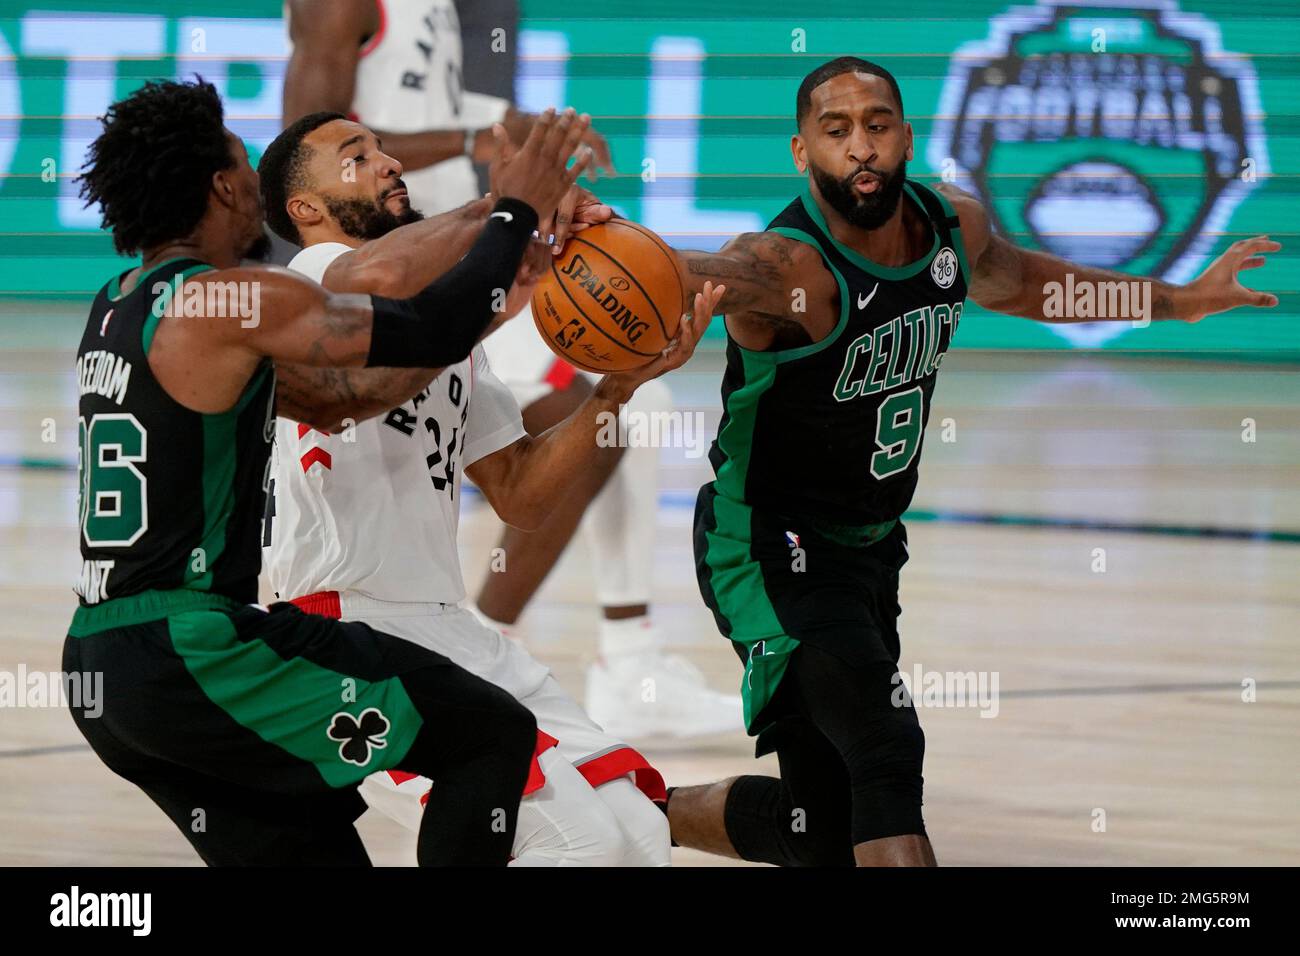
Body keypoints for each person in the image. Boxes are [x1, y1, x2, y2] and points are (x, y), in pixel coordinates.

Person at [658, 56, 1280, 866]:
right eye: (835, 131)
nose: (862, 149)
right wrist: (591, 244)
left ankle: (625, 805)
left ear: (908, 136)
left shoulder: (953, 226)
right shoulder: (788, 267)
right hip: (771, 545)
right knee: (885, 749)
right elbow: (694, 273)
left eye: (877, 126)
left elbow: (1026, 285)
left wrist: (1177, 301)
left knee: (821, 828)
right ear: (801, 152)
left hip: (869, 547)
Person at [66, 78, 591, 865]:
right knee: (492, 733)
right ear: (222, 185)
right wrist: (510, 211)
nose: (255, 192)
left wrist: (497, 283)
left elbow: (344, 402)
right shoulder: (231, 300)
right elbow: (426, 327)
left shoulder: (117, 305)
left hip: (101, 667)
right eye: (245, 170)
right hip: (193, 649)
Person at [257, 111, 724, 863]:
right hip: (346, 635)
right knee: (580, 848)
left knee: (638, 829)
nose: (386, 163)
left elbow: (522, 495)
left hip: (450, 627)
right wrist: (509, 207)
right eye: (357, 156)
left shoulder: (451, 332)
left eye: (383, 147)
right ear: (305, 209)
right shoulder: (310, 284)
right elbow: (372, 278)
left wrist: (613, 393)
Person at [282, 0, 742, 738]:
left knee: (634, 410)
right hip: (386, 270)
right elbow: (303, 131)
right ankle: (480, 650)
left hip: (463, 255)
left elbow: (425, 107)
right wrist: (489, 166)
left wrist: (509, 128)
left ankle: (606, 655)